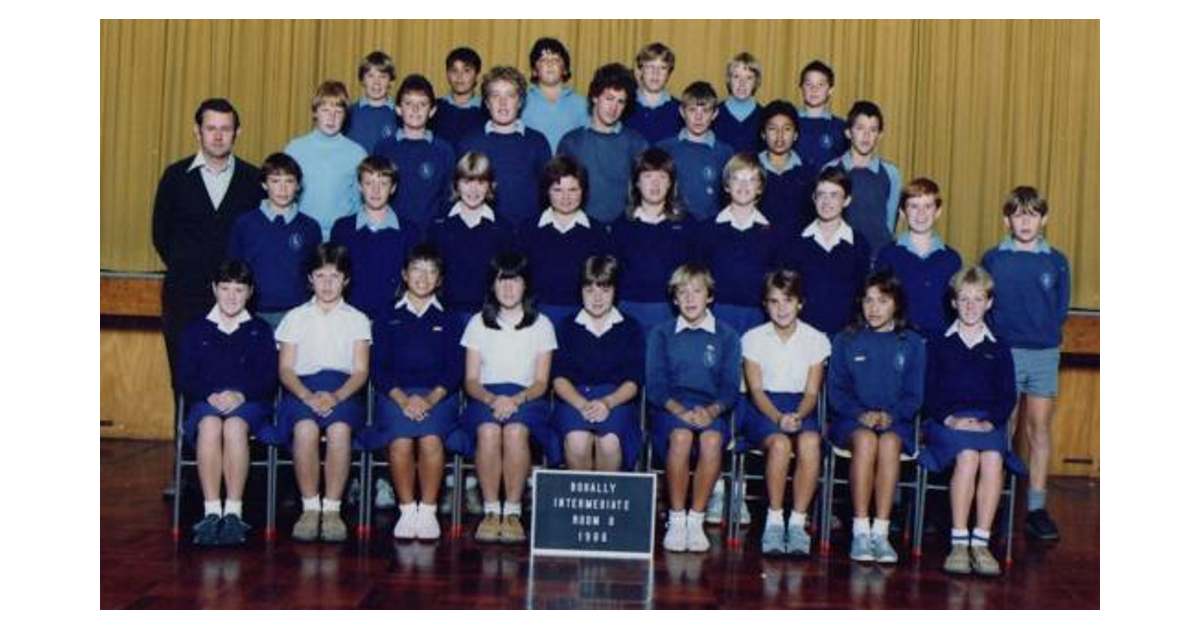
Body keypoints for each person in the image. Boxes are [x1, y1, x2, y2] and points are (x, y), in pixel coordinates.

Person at [152, 98, 265, 471]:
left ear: (237, 133)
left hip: (237, 299)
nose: (218, 136)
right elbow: (161, 235)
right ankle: (185, 467)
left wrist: (232, 289)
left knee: (240, 379)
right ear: (197, 131)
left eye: (226, 128)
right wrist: (191, 270)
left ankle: (240, 469)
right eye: (211, 128)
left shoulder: (252, 180)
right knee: (186, 380)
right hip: (185, 297)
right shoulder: (175, 176)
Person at [980, 186, 1071, 541]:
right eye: (1019, 214)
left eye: (1032, 214)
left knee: (1038, 430)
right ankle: (996, 499)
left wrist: (1042, 336)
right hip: (1006, 353)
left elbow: (1060, 308)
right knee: (1005, 425)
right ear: (1007, 220)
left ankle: (1035, 507)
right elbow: (985, 306)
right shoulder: (994, 258)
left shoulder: (1056, 260)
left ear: (1044, 219)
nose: (1025, 221)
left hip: (1044, 354)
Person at [920, 265, 1022, 576]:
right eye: (964, 299)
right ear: (953, 302)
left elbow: (1007, 395)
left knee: (992, 458)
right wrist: (949, 419)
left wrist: (991, 422)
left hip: (985, 422)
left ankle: (981, 542)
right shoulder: (938, 342)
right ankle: (959, 542)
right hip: (946, 422)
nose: (970, 306)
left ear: (989, 302)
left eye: (978, 299)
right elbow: (927, 391)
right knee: (967, 457)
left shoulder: (999, 346)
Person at [274, 243, 372, 543]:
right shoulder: (295, 317)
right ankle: (310, 507)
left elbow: (360, 371)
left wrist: (336, 397)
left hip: (342, 390)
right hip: (302, 390)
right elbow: (286, 370)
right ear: (310, 279)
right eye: (320, 276)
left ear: (346, 280)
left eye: (334, 276)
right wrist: (307, 396)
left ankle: (332, 509)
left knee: (340, 431)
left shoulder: (357, 318)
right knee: (305, 430)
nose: (327, 284)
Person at [367, 244, 465, 541]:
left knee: (431, 439)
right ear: (404, 275)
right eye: (417, 270)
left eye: (431, 271)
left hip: (438, 397)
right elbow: (378, 369)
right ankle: (408, 510)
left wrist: (430, 399)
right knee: (400, 442)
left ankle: (429, 510)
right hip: (395, 395)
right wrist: (402, 399)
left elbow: (455, 370)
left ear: (439, 279)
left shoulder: (450, 319)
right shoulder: (386, 317)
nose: (423, 278)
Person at [827, 271, 925, 564]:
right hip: (852, 420)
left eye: (882, 301)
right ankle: (860, 529)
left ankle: (880, 532)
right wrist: (860, 414)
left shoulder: (912, 343)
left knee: (889, 444)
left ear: (896, 304)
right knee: (867, 442)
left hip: (897, 422)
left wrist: (891, 416)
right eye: (868, 300)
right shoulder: (846, 339)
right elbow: (837, 391)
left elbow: (914, 395)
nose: (874, 308)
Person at [177, 261, 278, 545]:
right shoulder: (197, 329)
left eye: (239, 289)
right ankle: (211, 512)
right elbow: (185, 375)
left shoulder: (259, 330)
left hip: (248, 403)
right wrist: (209, 394)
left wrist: (241, 395)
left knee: (234, 426)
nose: (231, 296)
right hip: (206, 401)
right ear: (214, 289)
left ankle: (234, 511)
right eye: (225, 288)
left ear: (249, 292)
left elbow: (268, 377)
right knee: (209, 425)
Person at [460, 252, 558, 544]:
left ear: (525, 285)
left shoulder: (542, 325)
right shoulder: (478, 323)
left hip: (527, 398)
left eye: (514, 280)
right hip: (486, 396)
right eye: (501, 281)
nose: (508, 288)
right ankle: (491, 511)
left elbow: (541, 382)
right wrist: (493, 400)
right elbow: (471, 380)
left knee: (515, 431)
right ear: (492, 286)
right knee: (489, 431)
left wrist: (515, 401)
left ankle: (513, 511)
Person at [646, 264, 740, 553]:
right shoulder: (661, 333)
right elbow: (655, 384)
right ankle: (676, 519)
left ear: (709, 296)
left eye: (696, 291)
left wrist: (711, 412)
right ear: (674, 299)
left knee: (712, 439)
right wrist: (680, 412)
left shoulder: (727, 336)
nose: (689, 298)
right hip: (670, 410)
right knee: (682, 437)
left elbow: (729, 387)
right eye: (682, 292)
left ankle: (695, 519)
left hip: (711, 409)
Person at [740, 270, 829, 557]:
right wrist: (778, 418)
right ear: (765, 305)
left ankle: (798, 522)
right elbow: (755, 390)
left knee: (810, 442)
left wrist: (799, 416)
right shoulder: (752, 338)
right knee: (779, 444)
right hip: (764, 407)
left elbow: (813, 393)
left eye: (788, 300)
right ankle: (775, 520)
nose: (781, 308)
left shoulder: (816, 339)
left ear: (800, 303)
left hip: (801, 406)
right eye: (774, 301)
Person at [551, 255, 645, 472]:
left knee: (609, 441)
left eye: (605, 290)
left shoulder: (630, 327)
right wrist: (582, 404)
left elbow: (633, 381)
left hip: (616, 399)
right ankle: (582, 504)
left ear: (615, 291)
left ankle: (605, 504)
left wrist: (607, 403)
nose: (597, 298)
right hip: (574, 398)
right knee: (577, 439)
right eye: (590, 290)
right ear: (580, 291)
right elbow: (558, 378)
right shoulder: (566, 326)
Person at [226, 152, 322, 328]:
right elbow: (233, 272)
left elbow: (315, 275)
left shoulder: (310, 227)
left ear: (298, 185)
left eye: (289, 181)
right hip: (253, 314)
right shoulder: (245, 224)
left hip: (298, 316)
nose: (283, 189)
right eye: (275, 181)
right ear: (264, 184)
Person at [516, 155, 612, 327]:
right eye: (558, 190)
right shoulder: (528, 229)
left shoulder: (597, 232)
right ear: (546, 191)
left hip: (582, 316)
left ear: (584, 190)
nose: (566, 197)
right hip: (536, 315)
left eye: (573, 190)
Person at [776, 167, 871, 336]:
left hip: (846, 337)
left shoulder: (859, 244)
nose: (826, 202)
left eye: (834, 195)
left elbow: (863, 295)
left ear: (847, 200)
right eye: (821, 194)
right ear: (813, 198)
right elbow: (787, 294)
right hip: (803, 336)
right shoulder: (795, 242)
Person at [610, 148, 695, 335]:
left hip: (672, 311)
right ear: (637, 183)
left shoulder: (688, 225)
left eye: (662, 176)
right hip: (629, 309)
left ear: (671, 182)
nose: (655, 184)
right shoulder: (621, 226)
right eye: (648, 176)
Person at [427, 151, 516, 325]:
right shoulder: (438, 226)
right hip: (446, 315)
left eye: (481, 182)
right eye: (467, 181)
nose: (474, 190)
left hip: (490, 315)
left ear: (490, 186)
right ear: (456, 184)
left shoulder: (503, 228)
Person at [694, 153, 779, 335]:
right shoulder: (706, 230)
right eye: (736, 179)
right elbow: (698, 276)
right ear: (726, 185)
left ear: (760, 187)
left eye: (751, 180)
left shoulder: (773, 233)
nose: (743, 186)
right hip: (716, 313)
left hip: (758, 316)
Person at [457, 66, 553, 227]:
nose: (503, 103)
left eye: (510, 95)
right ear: (487, 102)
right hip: (483, 232)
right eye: (495, 96)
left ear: (520, 101)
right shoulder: (469, 142)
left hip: (527, 231)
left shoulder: (538, 142)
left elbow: (549, 192)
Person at [329, 156, 422, 321]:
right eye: (369, 183)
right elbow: (334, 276)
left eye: (383, 184)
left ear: (393, 188)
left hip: (394, 320)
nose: (375, 190)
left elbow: (414, 281)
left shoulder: (409, 231)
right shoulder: (342, 229)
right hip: (349, 318)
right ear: (359, 186)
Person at [557, 63, 649, 226]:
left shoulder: (636, 143)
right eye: (609, 98)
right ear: (595, 97)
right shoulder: (571, 142)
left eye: (620, 102)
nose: (613, 107)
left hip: (624, 230)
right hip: (582, 229)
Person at [873, 177, 963, 339]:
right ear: (902, 212)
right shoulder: (888, 254)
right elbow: (878, 302)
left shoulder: (952, 259)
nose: (921, 213)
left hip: (939, 341)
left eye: (928, 206)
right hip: (899, 340)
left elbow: (958, 308)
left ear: (938, 211)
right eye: (914, 206)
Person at [284, 80, 369, 241]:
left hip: (342, 236)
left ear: (345, 115)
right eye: (325, 110)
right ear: (315, 112)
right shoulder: (294, 149)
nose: (332, 118)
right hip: (300, 234)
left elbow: (360, 203)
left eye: (338, 111)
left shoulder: (357, 153)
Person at [372, 74, 456, 230]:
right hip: (391, 232)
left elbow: (449, 197)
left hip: (429, 237)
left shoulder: (444, 150)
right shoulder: (383, 148)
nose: (415, 109)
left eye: (422, 104)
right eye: (408, 103)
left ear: (432, 111)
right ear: (398, 109)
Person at [823, 100, 902, 257]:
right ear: (848, 132)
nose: (866, 135)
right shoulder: (831, 169)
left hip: (878, 256)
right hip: (840, 254)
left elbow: (891, 221)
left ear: (880, 135)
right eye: (860, 128)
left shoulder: (890, 172)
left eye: (873, 130)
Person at [656, 81, 735, 221]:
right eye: (692, 110)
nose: (698, 117)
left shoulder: (726, 153)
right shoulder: (664, 148)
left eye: (705, 111)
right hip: (672, 226)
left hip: (711, 228)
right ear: (682, 112)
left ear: (715, 113)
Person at [520, 37, 588, 152]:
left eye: (556, 59)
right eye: (543, 60)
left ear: (565, 69)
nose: (550, 64)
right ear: (534, 71)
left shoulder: (582, 104)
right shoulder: (521, 101)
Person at [757, 100, 815, 230]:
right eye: (772, 129)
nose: (780, 136)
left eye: (787, 129)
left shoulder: (809, 173)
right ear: (763, 134)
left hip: (797, 247)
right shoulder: (750, 169)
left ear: (795, 135)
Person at [795, 60, 849, 182]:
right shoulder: (789, 123)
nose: (814, 89)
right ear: (801, 88)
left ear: (830, 90)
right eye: (809, 84)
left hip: (827, 195)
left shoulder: (840, 127)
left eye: (820, 85)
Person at [626, 42, 683, 145]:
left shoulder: (680, 111)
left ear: (669, 73)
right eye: (650, 67)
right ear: (640, 70)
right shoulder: (624, 106)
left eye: (662, 68)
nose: (655, 73)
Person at [431, 46, 489, 147]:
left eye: (466, 71)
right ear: (447, 75)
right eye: (454, 70)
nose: (459, 76)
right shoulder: (433, 108)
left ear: (477, 75)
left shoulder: (488, 110)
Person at [711, 52, 764, 155]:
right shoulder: (713, 114)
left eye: (749, 78)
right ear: (729, 80)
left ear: (756, 82)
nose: (742, 83)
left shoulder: (765, 116)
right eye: (736, 77)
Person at [345, 50, 398, 154]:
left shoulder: (400, 114)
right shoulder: (349, 113)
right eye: (370, 76)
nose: (376, 82)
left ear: (390, 81)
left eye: (382, 76)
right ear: (362, 80)